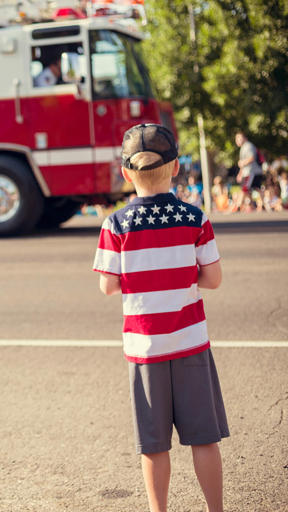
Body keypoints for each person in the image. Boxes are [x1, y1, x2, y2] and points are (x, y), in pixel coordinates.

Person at [93, 124, 229, 512]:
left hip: (145, 347)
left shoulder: (115, 225)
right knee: (204, 438)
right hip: (190, 343)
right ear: (174, 168)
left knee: (153, 445)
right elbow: (214, 279)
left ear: (125, 173)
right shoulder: (193, 218)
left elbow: (107, 285)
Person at [233, 131, 264, 211]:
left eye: (239, 138)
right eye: (236, 139)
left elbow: (251, 158)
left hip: (252, 171)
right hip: (250, 171)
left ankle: (238, 206)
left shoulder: (248, 146)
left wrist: (242, 162)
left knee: (244, 188)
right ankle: (260, 205)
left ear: (244, 138)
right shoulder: (243, 148)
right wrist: (240, 173)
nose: (237, 140)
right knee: (256, 188)